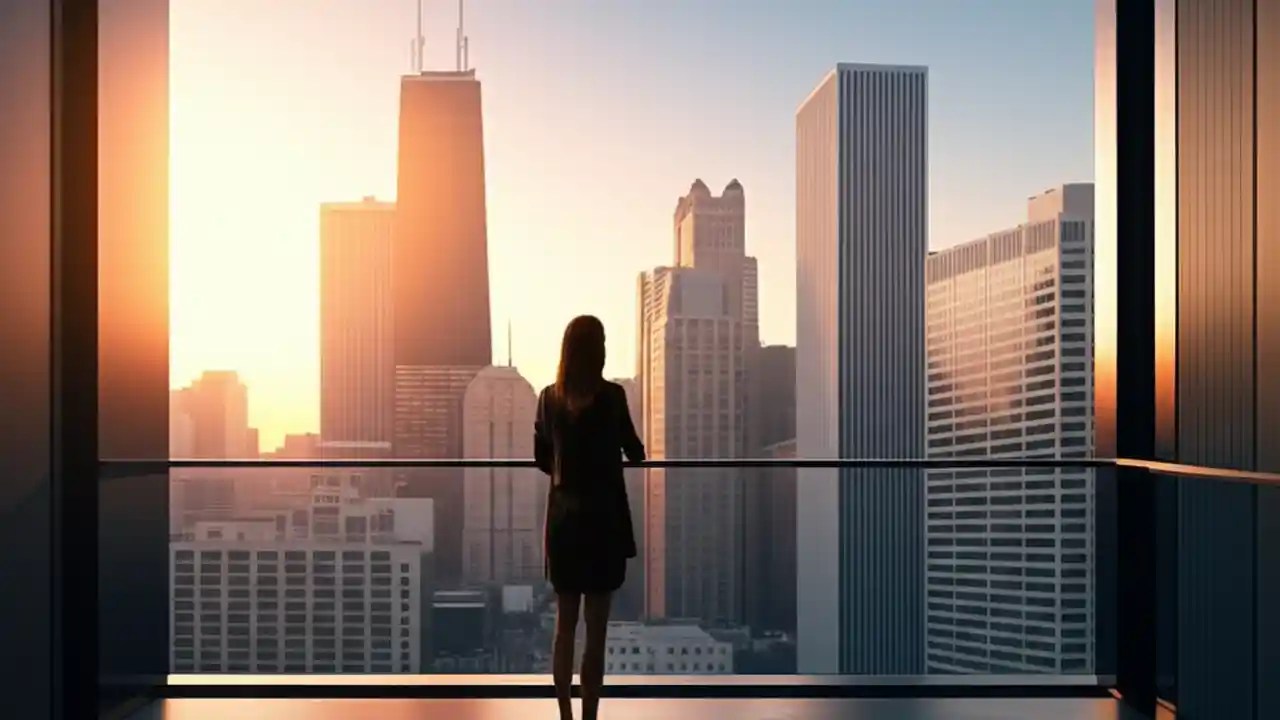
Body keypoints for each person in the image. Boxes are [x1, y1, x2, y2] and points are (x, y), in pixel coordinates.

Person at [535, 315, 645, 720]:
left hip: (564, 523)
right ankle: (589, 718)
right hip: (603, 524)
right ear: (599, 350)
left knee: (564, 627)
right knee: (595, 631)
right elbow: (635, 451)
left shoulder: (548, 397)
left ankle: (563, 714)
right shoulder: (612, 397)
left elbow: (542, 458)